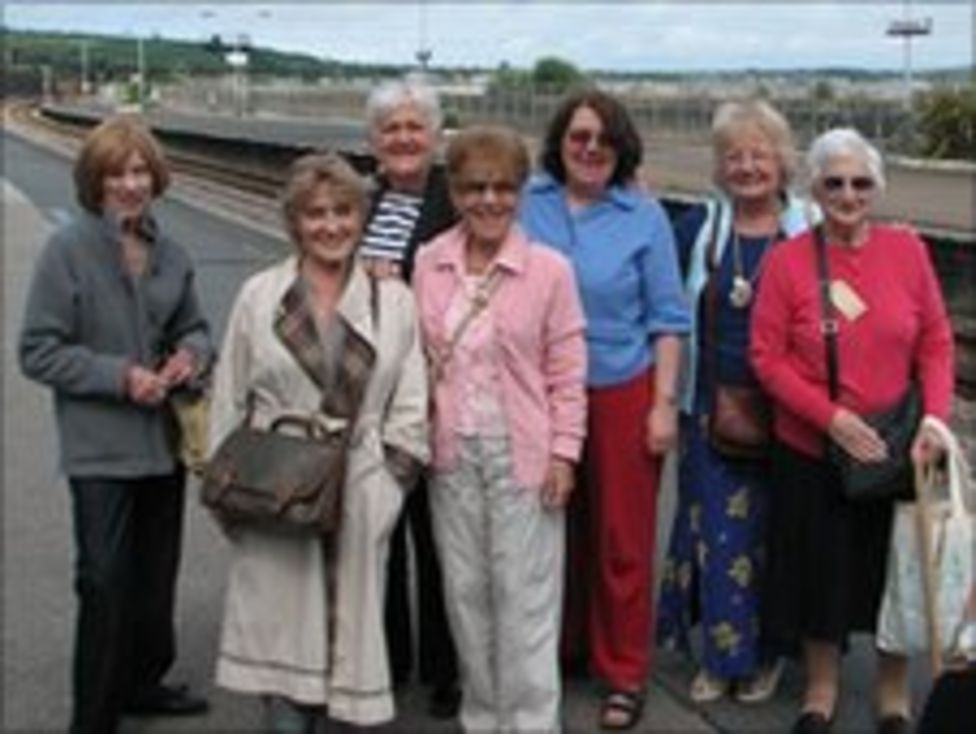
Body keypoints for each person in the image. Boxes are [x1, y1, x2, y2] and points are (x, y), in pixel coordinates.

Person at [208, 153, 429, 730]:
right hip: (274, 491)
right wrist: (225, 492)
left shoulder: (395, 301)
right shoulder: (259, 296)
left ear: (361, 216)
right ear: (294, 222)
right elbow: (229, 395)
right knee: (279, 653)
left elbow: (412, 404)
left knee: (347, 649)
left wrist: (389, 487)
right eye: (316, 214)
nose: (331, 226)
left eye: (344, 211)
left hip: (358, 489)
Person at [750, 127, 955, 734]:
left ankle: (892, 691)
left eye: (861, 182)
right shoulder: (788, 261)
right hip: (814, 448)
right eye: (834, 182)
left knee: (895, 573)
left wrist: (936, 420)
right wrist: (831, 419)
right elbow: (767, 357)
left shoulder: (907, 251)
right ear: (814, 189)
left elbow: (937, 344)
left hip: (897, 448)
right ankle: (822, 685)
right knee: (822, 572)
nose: (848, 194)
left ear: (878, 188)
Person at [19, 115, 212, 734]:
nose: (130, 184)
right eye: (116, 174)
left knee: (154, 579)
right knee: (104, 581)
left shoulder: (172, 254)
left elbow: (195, 327)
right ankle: (94, 714)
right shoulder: (67, 251)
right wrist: (120, 376)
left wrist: (191, 356)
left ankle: (143, 683)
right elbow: (39, 349)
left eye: (140, 172)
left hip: (162, 446)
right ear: (94, 182)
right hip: (99, 449)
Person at [519, 88, 691, 730]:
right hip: (537, 390)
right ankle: (562, 650)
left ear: (622, 149)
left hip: (620, 387)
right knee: (549, 527)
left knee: (621, 536)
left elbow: (669, 320)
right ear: (559, 144)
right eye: (578, 137)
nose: (590, 149)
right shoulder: (527, 203)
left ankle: (623, 671)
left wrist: (663, 405)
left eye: (603, 140)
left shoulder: (642, 217)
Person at [414, 125, 587, 732]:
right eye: (474, 188)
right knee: (467, 596)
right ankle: (482, 718)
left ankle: (533, 723)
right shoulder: (428, 263)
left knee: (527, 601)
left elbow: (568, 372)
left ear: (521, 192)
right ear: (455, 193)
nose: (489, 201)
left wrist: (565, 454)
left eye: (503, 188)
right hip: (452, 455)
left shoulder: (549, 271)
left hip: (526, 455)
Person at [656, 99, 811, 704]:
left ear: (782, 161)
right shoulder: (700, 227)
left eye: (760, 153)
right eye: (735, 156)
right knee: (716, 536)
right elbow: (662, 303)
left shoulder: (810, 227)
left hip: (794, 413)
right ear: (720, 167)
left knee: (780, 536)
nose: (747, 166)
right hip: (709, 409)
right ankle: (723, 657)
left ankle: (768, 654)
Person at [362, 76, 462, 718]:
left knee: (439, 537)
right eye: (391, 128)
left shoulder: (455, 201)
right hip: (372, 396)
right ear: (374, 142)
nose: (403, 137)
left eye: (414, 126)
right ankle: (391, 660)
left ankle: (446, 666)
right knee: (382, 531)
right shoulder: (360, 201)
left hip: (439, 391)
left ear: (433, 136)